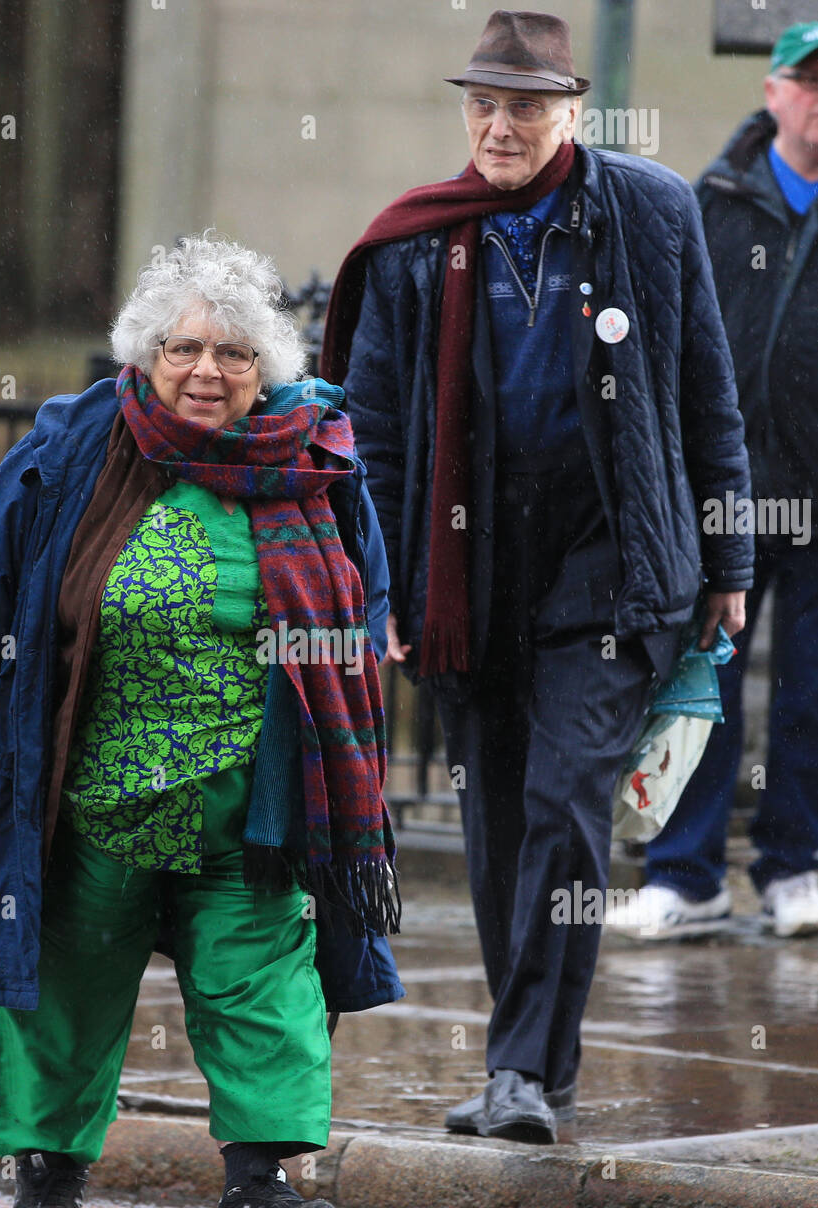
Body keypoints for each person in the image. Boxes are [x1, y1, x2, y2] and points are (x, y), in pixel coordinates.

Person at [0, 234, 402, 1208]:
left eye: (235, 354)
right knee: (65, 987)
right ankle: (47, 1180)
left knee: (263, 985)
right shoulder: (74, 448)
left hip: (251, 810)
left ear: (269, 371)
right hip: (92, 797)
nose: (208, 372)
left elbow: (367, 604)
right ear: (144, 356)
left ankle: (258, 1196)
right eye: (185, 349)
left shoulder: (319, 461)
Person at [321, 9, 752, 1144]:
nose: (499, 125)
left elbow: (705, 389)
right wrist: (377, 590)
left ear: (573, 110)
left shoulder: (648, 211)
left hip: (610, 568)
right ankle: (536, 1068)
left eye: (523, 105)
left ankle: (517, 1069)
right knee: (503, 826)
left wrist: (730, 557)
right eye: (483, 104)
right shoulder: (422, 240)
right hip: (468, 575)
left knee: (566, 806)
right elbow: (372, 435)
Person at [606, 20, 818, 940]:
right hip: (726, 495)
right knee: (704, 686)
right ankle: (685, 875)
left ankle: (797, 867)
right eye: (808, 80)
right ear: (772, 92)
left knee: (813, 694)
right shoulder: (711, 200)